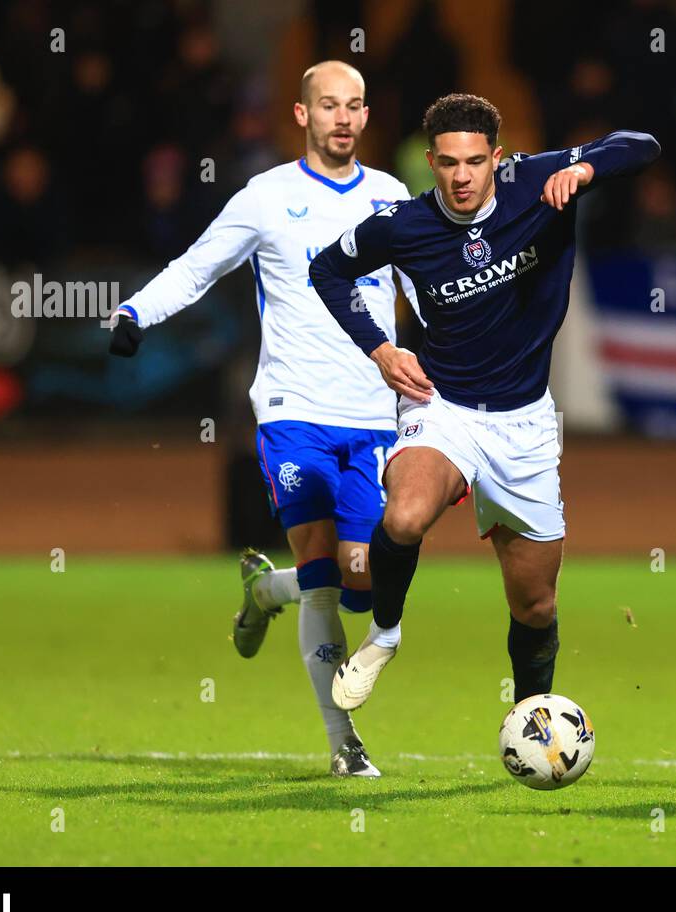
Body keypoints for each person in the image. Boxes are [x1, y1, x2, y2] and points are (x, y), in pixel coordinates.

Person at [108, 61, 420, 777]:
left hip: (375, 417)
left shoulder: (393, 198)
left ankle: (263, 589)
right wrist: (134, 312)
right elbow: (197, 267)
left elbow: (426, 293)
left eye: (355, 106)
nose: (342, 118)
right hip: (293, 413)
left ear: (366, 118)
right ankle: (344, 745)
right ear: (302, 115)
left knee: (361, 579)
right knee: (323, 579)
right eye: (328, 106)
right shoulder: (267, 197)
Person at [308, 93, 659, 711]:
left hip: (526, 423)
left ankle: (532, 719)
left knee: (535, 603)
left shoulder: (536, 180)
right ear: (430, 162)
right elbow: (328, 271)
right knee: (405, 517)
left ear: (497, 157)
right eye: (447, 163)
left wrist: (585, 170)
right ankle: (383, 636)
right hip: (442, 406)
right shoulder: (403, 225)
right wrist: (380, 350)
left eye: (474, 161)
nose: (462, 176)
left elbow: (641, 144)